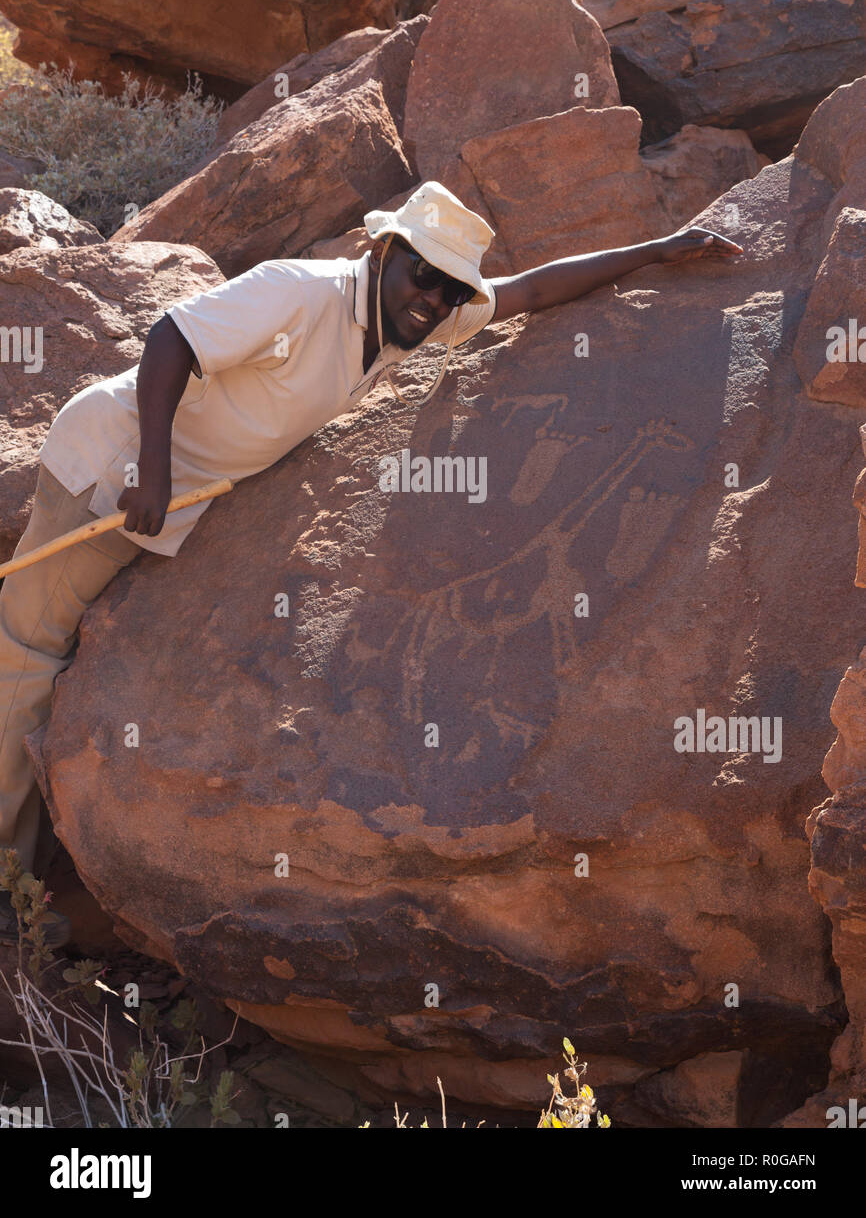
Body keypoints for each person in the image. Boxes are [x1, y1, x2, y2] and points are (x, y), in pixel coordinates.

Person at [0, 180, 742, 946]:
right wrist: (151, 470)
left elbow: (532, 290)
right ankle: (8, 891)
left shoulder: (412, 322)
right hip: (111, 471)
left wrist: (658, 249)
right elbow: (171, 340)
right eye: (424, 274)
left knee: (54, 667)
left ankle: (47, 853)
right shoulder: (301, 292)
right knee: (24, 663)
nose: (436, 298)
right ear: (384, 251)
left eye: (453, 288)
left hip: (176, 497)